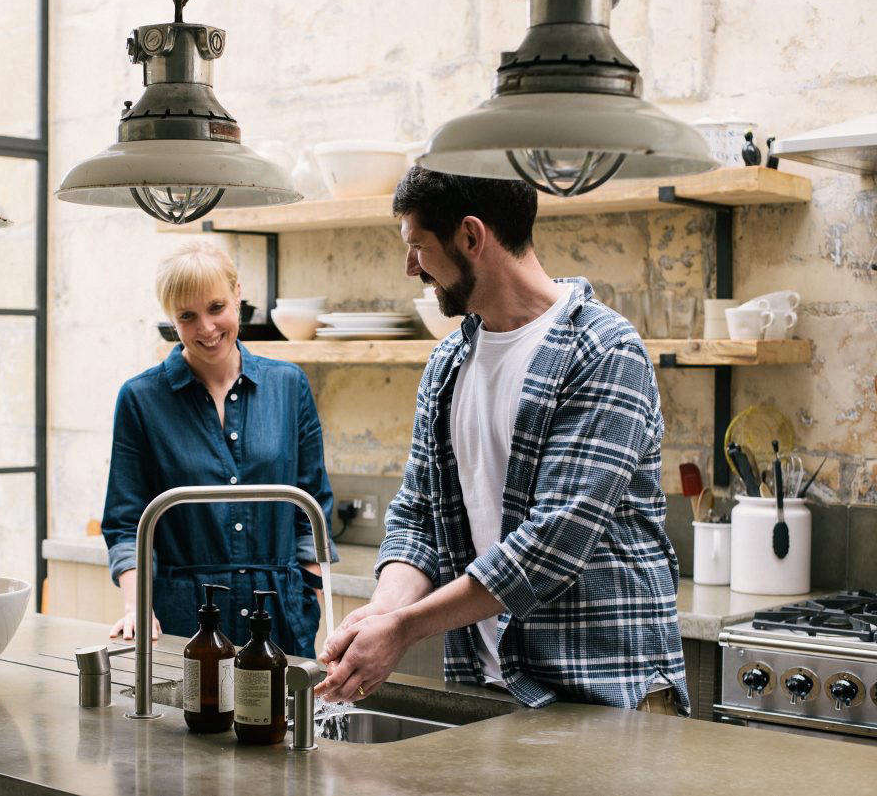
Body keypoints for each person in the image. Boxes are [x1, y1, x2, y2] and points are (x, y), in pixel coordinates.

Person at [315, 167, 687, 716]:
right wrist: (384, 611)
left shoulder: (603, 351)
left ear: (471, 236)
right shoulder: (449, 362)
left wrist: (405, 628)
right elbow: (419, 515)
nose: (411, 267)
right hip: (491, 686)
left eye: (418, 246)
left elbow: (552, 545)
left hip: (606, 693)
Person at [101, 242, 338, 658]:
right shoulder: (141, 399)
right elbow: (126, 523)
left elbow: (312, 505)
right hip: (184, 622)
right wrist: (137, 606)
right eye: (187, 316)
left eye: (216, 307)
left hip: (280, 616)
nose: (206, 328)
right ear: (171, 319)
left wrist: (309, 593)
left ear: (237, 296)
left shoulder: (288, 386)